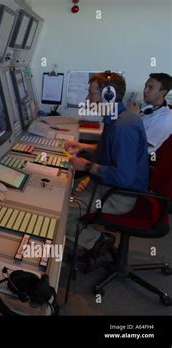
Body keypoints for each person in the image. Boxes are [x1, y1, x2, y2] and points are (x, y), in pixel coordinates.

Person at [64, 72, 149, 270]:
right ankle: (93, 240)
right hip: (105, 185)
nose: (87, 99)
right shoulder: (119, 117)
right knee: (60, 190)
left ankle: (97, 240)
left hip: (118, 195)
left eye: (91, 94)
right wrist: (83, 147)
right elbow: (109, 152)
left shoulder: (122, 128)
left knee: (59, 212)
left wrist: (85, 165)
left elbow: (122, 176)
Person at [127, 73, 172, 154]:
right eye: (145, 86)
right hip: (122, 151)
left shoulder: (165, 119)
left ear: (163, 92)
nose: (145, 90)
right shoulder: (145, 104)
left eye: (150, 88)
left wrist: (132, 118)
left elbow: (138, 144)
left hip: (135, 158)